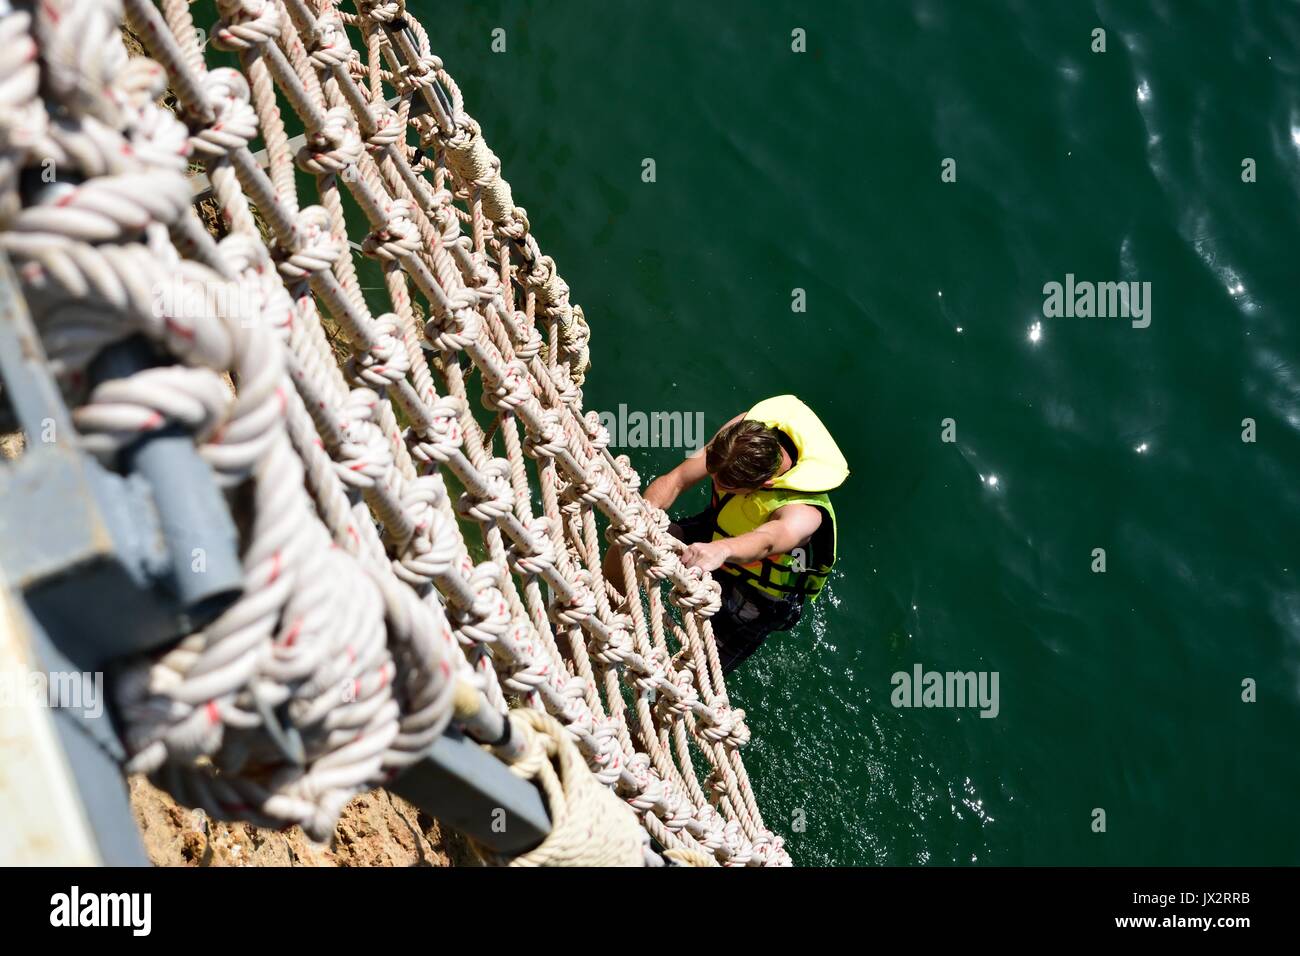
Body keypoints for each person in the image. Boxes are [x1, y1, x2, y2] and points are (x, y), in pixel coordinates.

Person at [638, 395, 848, 673]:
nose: (713, 481)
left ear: (764, 483)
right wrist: (641, 513)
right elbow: (677, 479)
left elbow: (769, 540)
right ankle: (610, 608)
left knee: (694, 672)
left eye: (725, 484)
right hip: (716, 530)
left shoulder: (804, 512)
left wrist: (722, 550)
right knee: (638, 539)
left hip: (757, 591)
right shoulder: (738, 439)